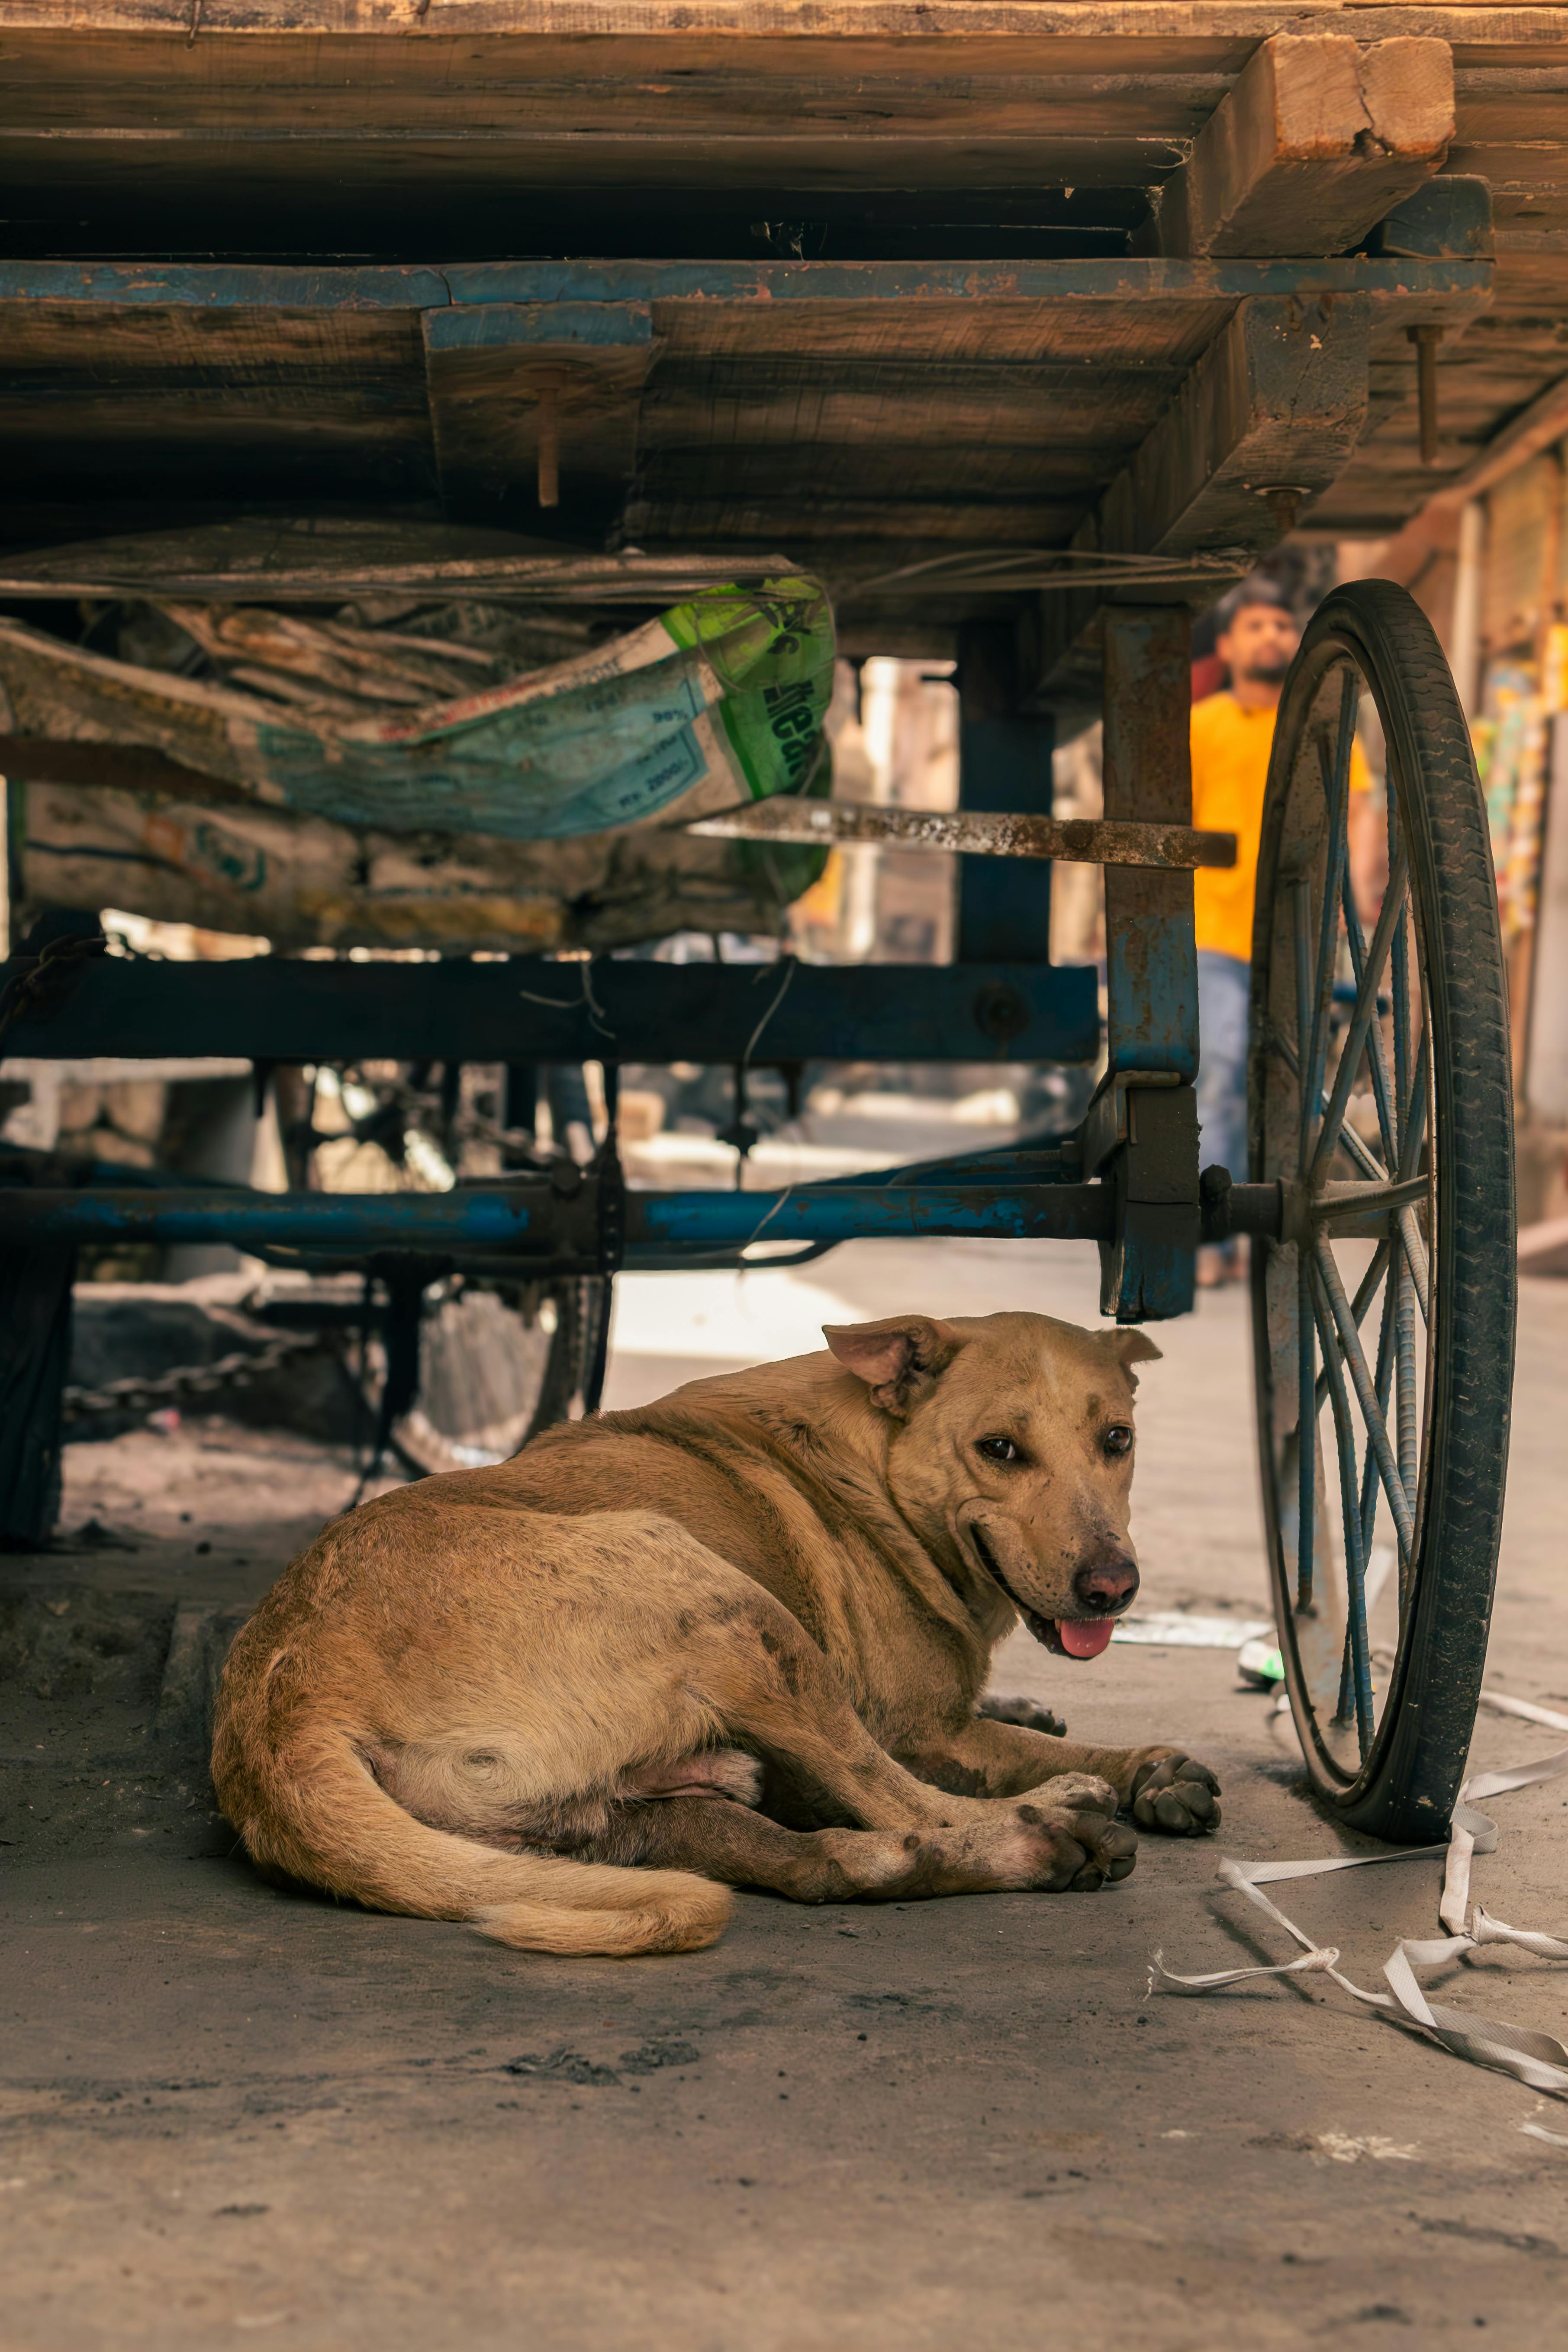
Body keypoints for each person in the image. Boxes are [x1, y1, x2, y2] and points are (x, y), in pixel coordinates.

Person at [1190, 576, 1377, 1287]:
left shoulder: (1316, 730)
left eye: (1280, 626)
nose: (1271, 636)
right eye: (1257, 625)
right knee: (1224, 1073)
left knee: (1283, 1087)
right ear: (1231, 643)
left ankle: (1257, 1223)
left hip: (1296, 933)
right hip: (1212, 929)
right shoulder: (1202, 724)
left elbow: (1355, 811)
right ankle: (1213, 1235)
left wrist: (1353, 907)